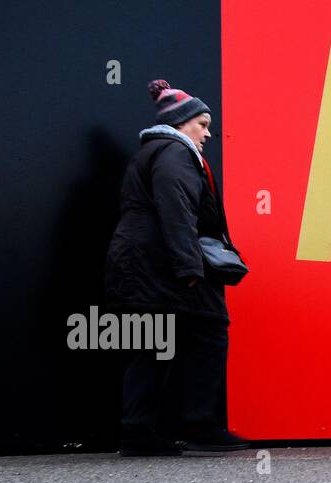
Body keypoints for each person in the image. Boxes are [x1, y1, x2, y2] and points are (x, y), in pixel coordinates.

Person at [105, 80, 248, 456]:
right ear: (181, 123)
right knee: (210, 331)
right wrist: (189, 267)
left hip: (141, 265)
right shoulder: (174, 154)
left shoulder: (153, 152)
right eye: (201, 124)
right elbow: (177, 209)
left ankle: (137, 433)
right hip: (164, 265)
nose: (208, 133)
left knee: (152, 345)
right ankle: (201, 426)